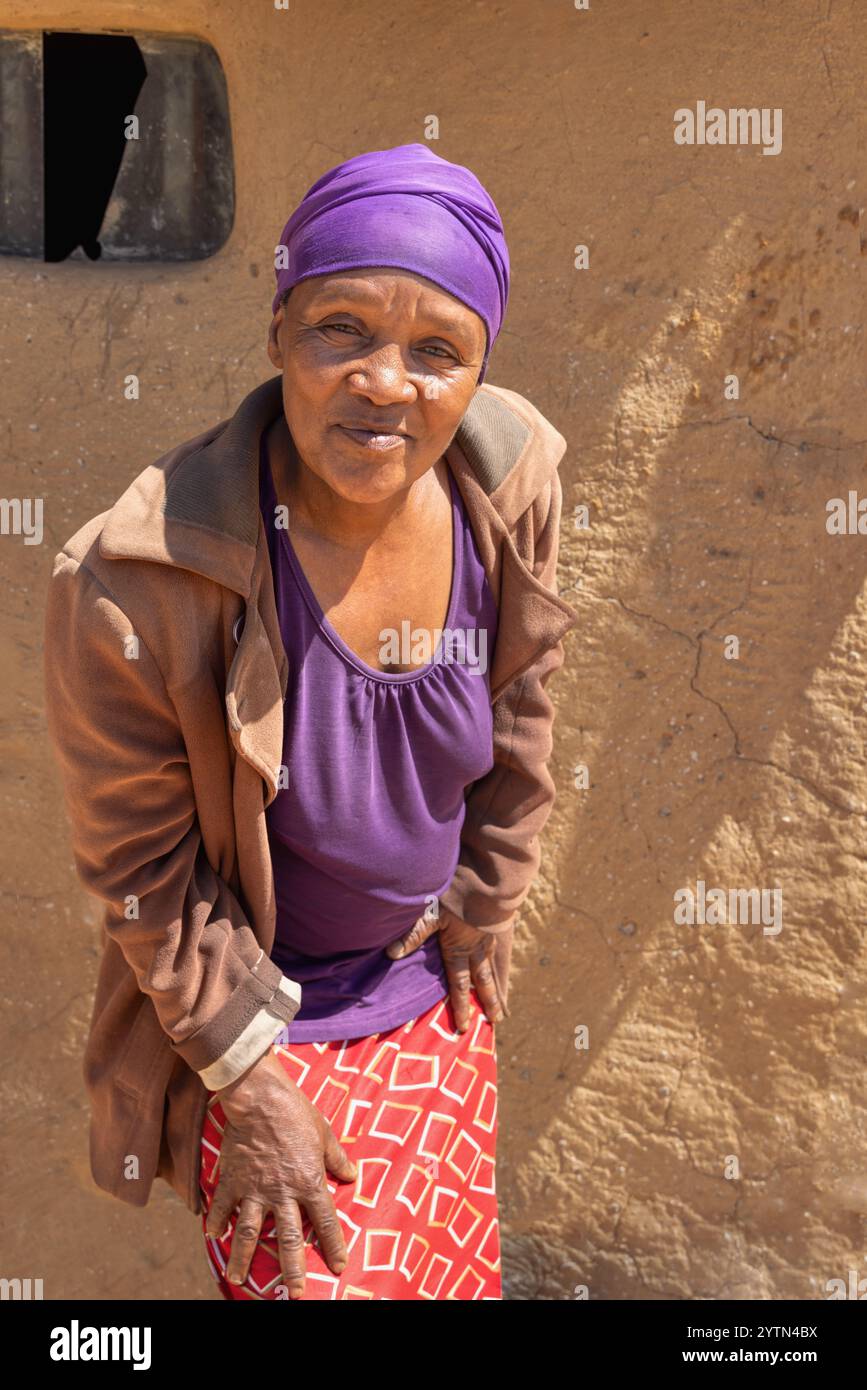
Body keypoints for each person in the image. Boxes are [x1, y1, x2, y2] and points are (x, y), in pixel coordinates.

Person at [42, 142, 579, 1300]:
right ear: (278, 330)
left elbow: (523, 695)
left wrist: (487, 895)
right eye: (341, 328)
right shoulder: (139, 578)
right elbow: (146, 870)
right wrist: (252, 1086)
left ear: (479, 372)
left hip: (429, 990)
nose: (386, 382)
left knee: (448, 1276)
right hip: (257, 1029)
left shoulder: (510, 480)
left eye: (438, 350)